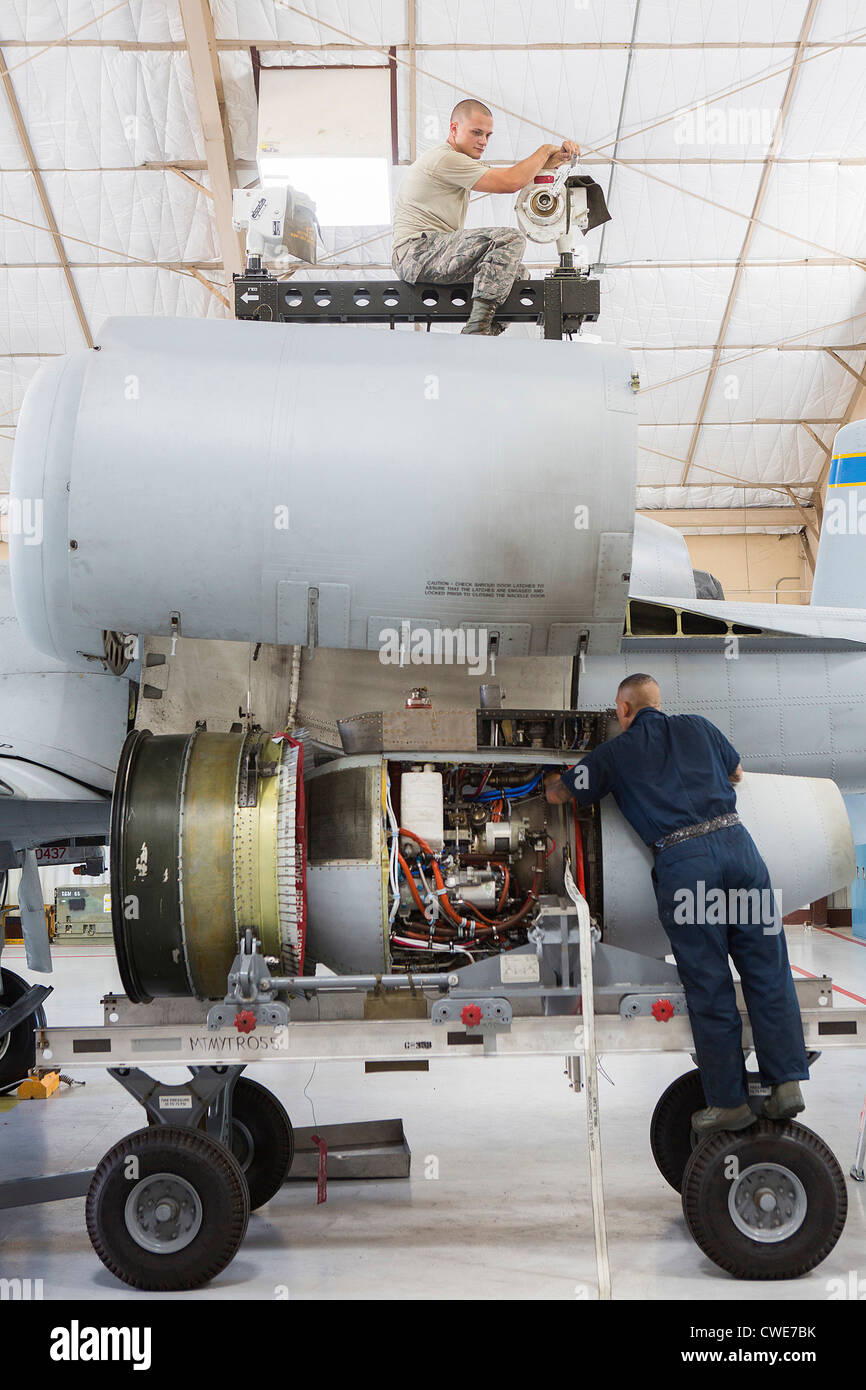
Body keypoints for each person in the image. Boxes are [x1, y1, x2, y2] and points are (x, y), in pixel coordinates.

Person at [544, 673, 809, 1136]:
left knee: (709, 982)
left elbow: (561, 793)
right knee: (768, 968)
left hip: (688, 867)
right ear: (657, 702)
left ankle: (728, 1102)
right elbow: (738, 772)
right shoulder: (700, 727)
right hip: (740, 851)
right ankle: (785, 1083)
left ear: (623, 710)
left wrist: (552, 778)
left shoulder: (617, 752)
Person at [391, 98, 579, 335]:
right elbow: (510, 181)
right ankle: (477, 328)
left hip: (434, 253)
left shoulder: (461, 162)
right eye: (477, 133)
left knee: (517, 274)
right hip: (416, 252)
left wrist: (553, 162)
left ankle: (487, 333)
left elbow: (518, 175)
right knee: (510, 239)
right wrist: (544, 151)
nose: (483, 141)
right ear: (454, 129)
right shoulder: (445, 159)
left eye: (488, 135)